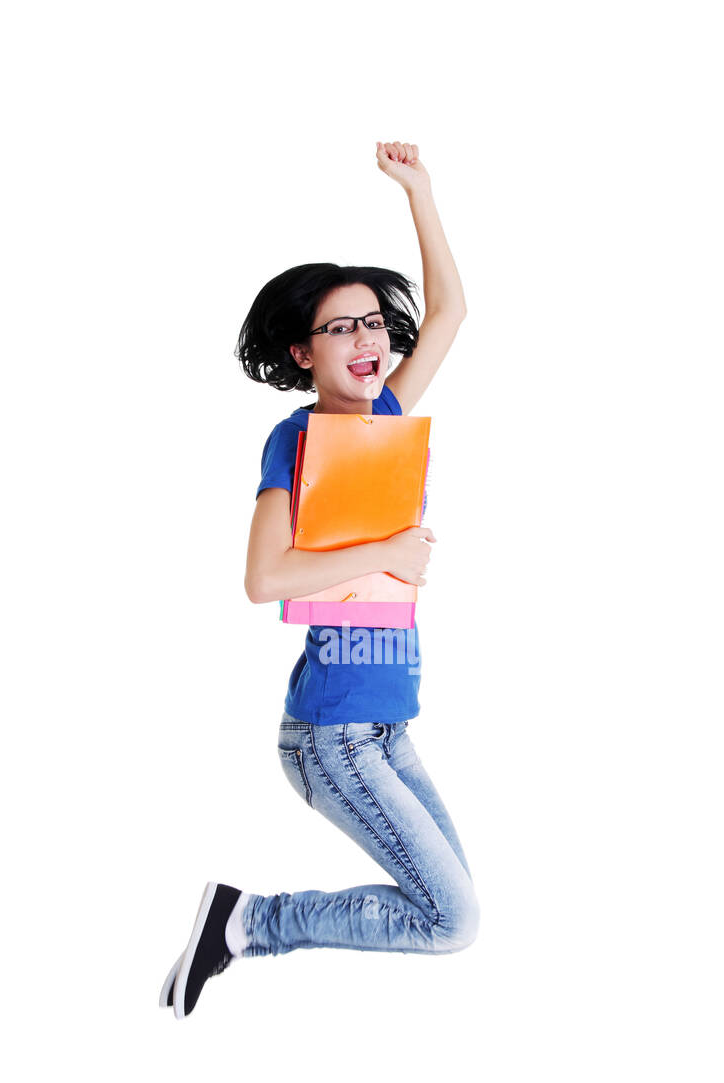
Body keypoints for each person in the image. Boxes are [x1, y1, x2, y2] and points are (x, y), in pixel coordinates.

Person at [162, 141, 479, 1020]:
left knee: (453, 907)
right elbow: (265, 577)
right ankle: (248, 924)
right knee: (450, 920)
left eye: (375, 321)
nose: (368, 337)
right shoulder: (295, 444)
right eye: (342, 327)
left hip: (386, 725)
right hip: (331, 733)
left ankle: (239, 923)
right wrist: (385, 555)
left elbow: (450, 311)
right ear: (304, 353)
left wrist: (419, 191)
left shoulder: (383, 418)